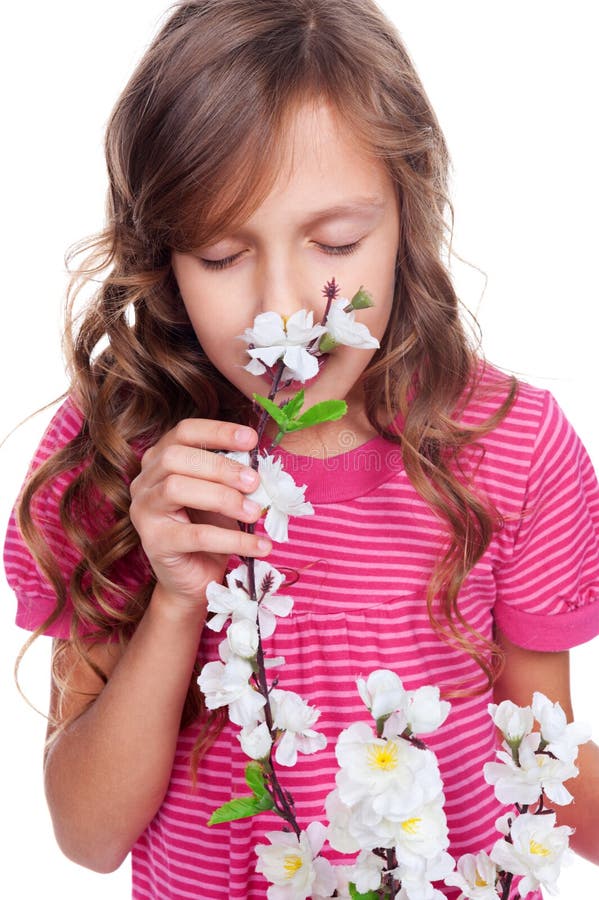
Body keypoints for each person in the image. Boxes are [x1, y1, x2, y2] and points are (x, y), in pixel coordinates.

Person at [4, 1, 599, 897]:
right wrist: (176, 600)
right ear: (161, 254)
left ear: (409, 217)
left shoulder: (508, 445)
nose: (283, 309)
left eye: (335, 242)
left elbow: (541, 760)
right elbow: (87, 837)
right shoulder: (122, 456)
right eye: (218, 254)